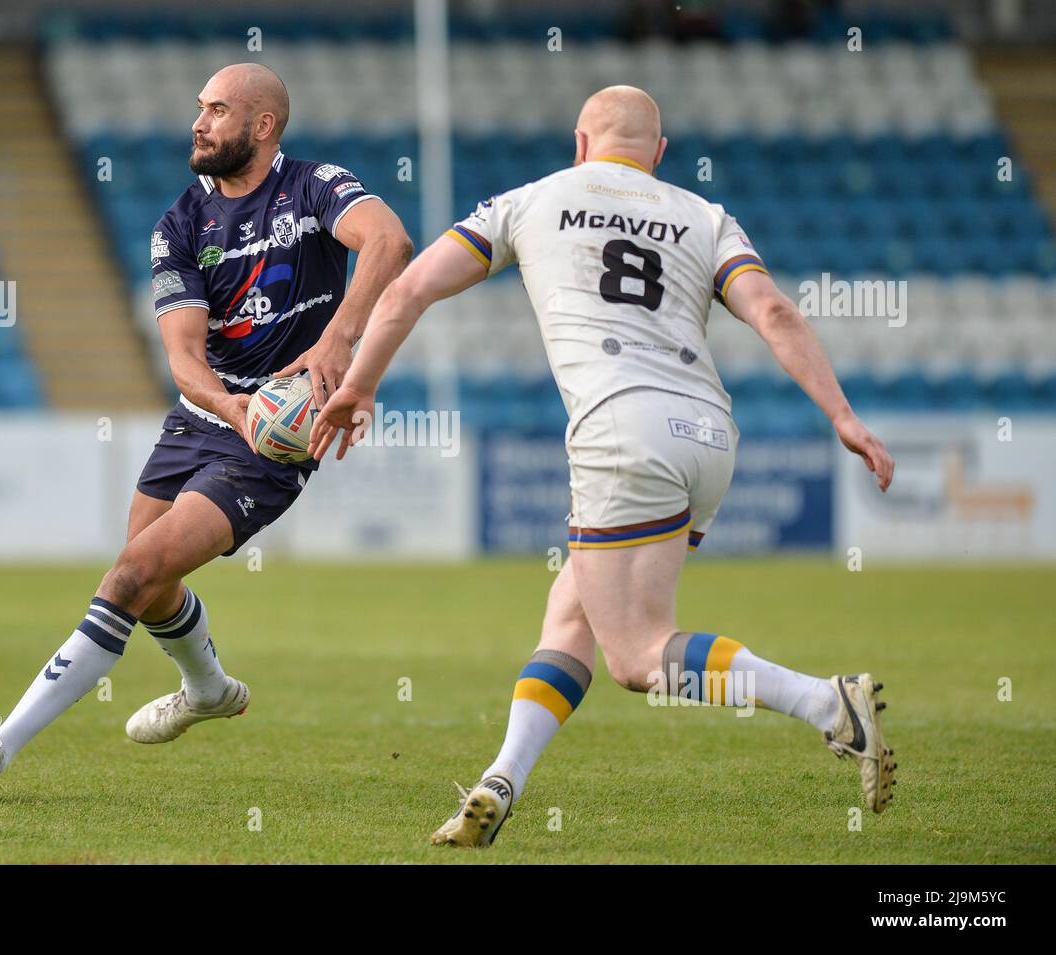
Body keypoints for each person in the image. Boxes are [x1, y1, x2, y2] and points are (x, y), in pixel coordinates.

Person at [309, 85, 897, 847]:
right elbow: (776, 312)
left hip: (622, 433)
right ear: (657, 153)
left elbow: (408, 290)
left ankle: (828, 704)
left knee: (638, 655)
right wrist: (843, 416)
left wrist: (357, 385)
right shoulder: (702, 215)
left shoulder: (530, 200)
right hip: (711, 437)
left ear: (580, 144)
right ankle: (500, 782)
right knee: (572, 613)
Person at [0, 63, 413, 799]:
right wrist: (233, 408)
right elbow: (185, 358)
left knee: (131, 574)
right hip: (208, 418)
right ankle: (211, 687)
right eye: (200, 108)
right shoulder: (182, 224)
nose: (199, 121)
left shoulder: (316, 186)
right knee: (150, 578)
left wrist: (339, 339)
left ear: (262, 127)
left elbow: (388, 242)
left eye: (218, 110)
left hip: (271, 444)